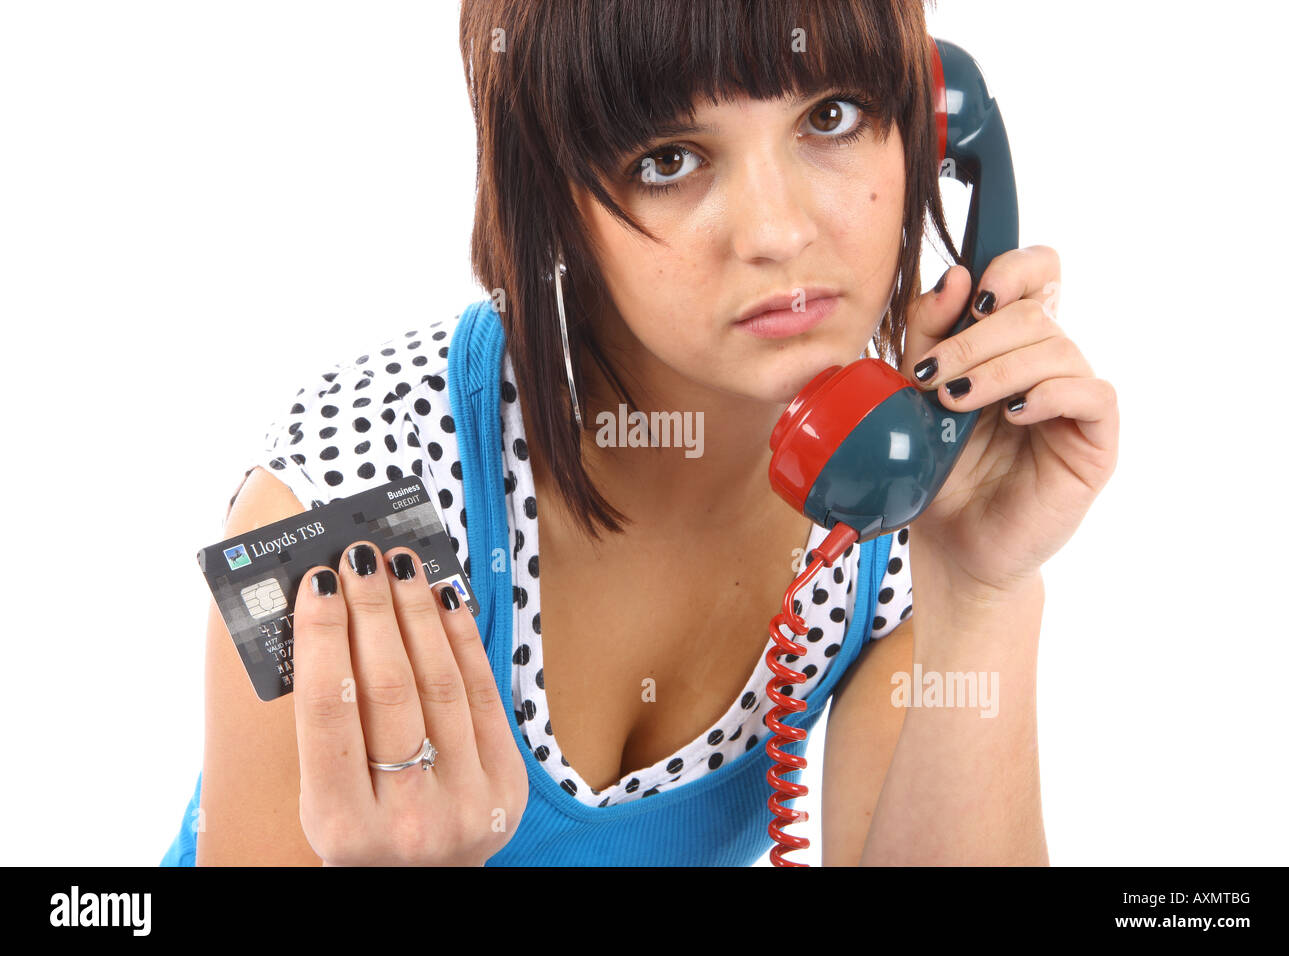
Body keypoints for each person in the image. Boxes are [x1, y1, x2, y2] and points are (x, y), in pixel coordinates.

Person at [170, 0, 1118, 866]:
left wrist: (982, 593)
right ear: (556, 207)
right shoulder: (352, 500)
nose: (778, 233)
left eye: (830, 118)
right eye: (669, 159)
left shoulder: (889, 496)